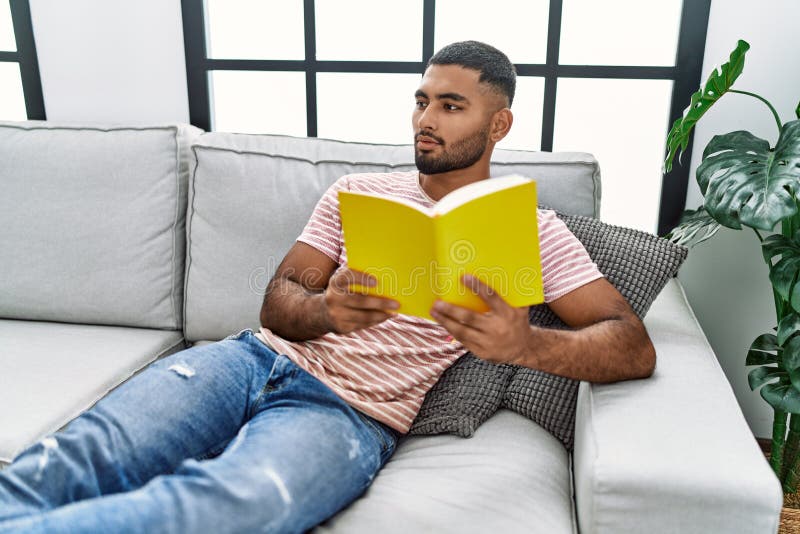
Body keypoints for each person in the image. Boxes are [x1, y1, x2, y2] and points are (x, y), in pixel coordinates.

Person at [0, 41, 655, 533]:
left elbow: (632, 346)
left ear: (499, 125)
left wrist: (526, 345)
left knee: (235, 504)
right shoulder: (357, 193)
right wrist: (326, 311)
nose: (426, 118)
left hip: (349, 414)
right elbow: (278, 302)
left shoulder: (533, 230)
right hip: (248, 361)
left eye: (451, 106)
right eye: (422, 100)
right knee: (76, 457)